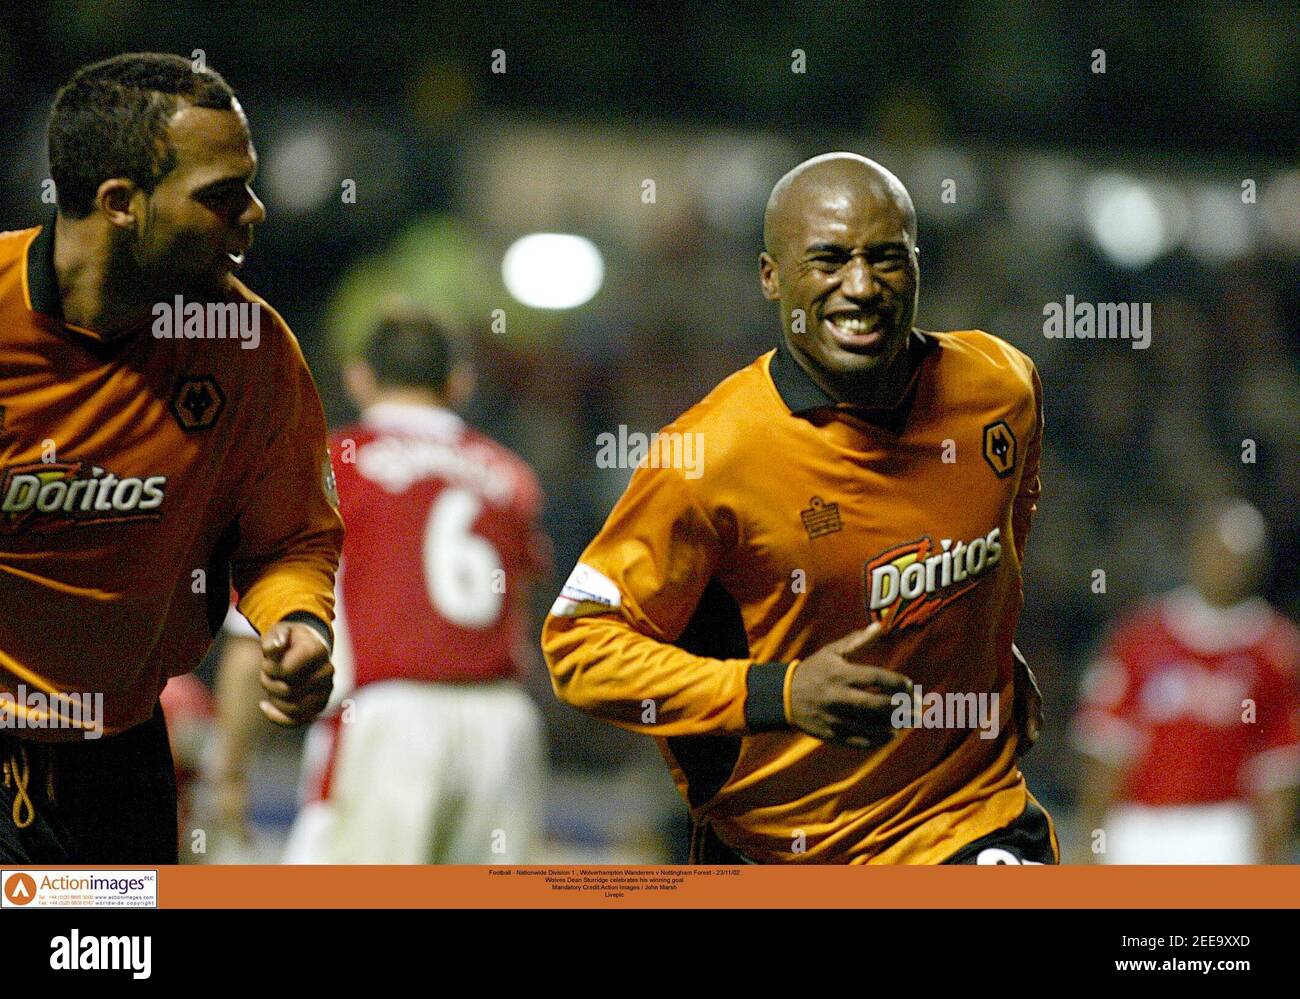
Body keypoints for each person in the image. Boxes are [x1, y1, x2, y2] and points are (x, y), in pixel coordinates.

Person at [542, 152, 1052, 864]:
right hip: (776, 847)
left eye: (886, 258)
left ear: (917, 265)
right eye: (829, 259)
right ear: (770, 276)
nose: (862, 285)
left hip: (964, 818)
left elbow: (1009, 502)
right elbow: (578, 648)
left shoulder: (1000, 385)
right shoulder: (707, 455)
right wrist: (773, 691)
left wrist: (987, 634)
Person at [0, 53, 343, 864]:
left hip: (121, 758)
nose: (255, 212)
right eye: (223, 195)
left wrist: (298, 621)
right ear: (121, 203)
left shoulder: (247, 348)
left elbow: (290, 539)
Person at [215, 307, 550, 863]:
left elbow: (257, 638)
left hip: (389, 720)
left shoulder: (331, 464)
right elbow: (527, 614)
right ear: (458, 382)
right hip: (505, 726)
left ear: (358, 377)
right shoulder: (511, 475)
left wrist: (228, 770)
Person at [1072, 498, 1300, 864]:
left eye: (1237, 557)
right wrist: (1092, 834)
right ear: (1196, 550)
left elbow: (1278, 766)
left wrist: (1270, 846)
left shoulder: (1275, 649)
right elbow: (1107, 746)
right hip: (1139, 826)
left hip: (1224, 831)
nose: (1226, 567)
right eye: (1218, 552)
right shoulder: (1141, 635)